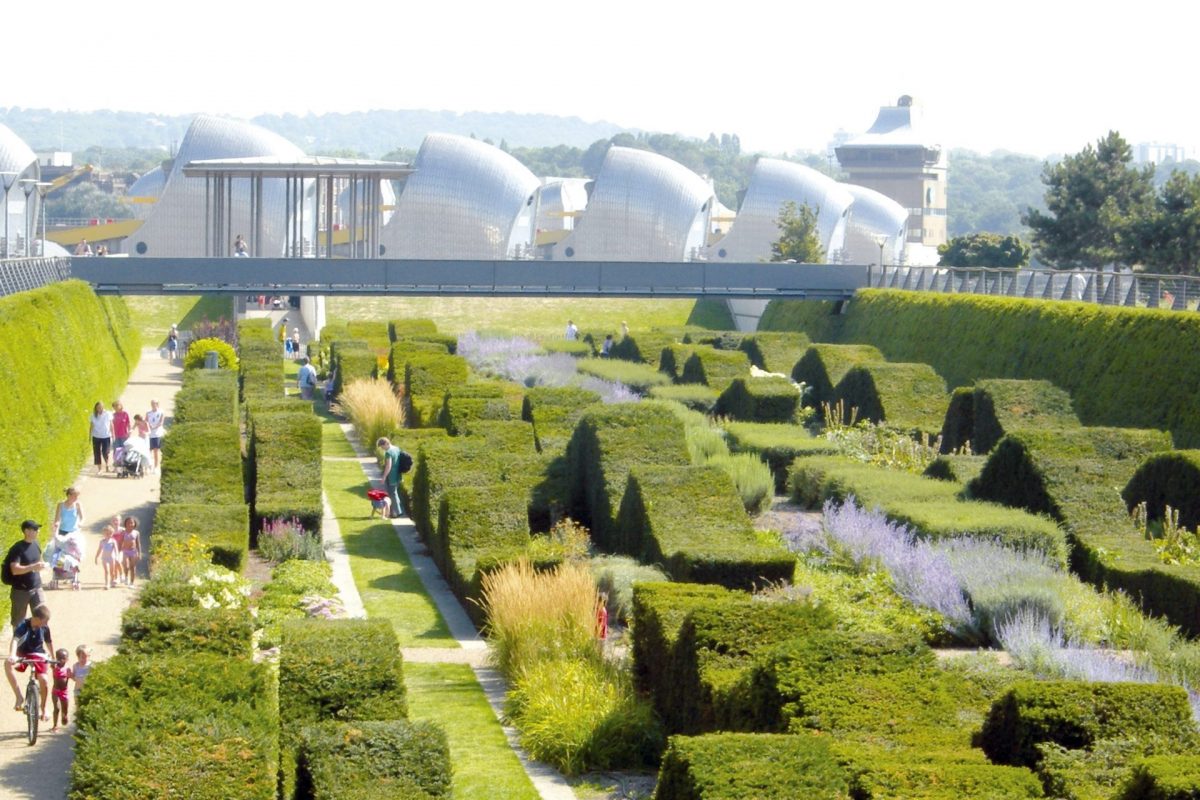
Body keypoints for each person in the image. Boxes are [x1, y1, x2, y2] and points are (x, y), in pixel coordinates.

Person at [5, 605, 53, 718]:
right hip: (22, 653)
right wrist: (12, 655)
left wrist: (52, 658)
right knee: (7, 664)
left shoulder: (45, 627)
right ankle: (18, 696)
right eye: (44, 621)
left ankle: (43, 707)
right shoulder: (23, 625)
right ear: (37, 618)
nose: (45, 624)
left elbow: (49, 642)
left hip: (38, 654)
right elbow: (15, 640)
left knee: (44, 680)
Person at [6, 521, 46, 629]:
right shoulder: (17, 548)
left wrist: (42, 566)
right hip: (21, 591)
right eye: (35, 529)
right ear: (27, 531)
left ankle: (38, 644)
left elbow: (39, 559)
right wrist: (33, 567)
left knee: (42, 617)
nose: (38, 531)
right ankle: (19, 644)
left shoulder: (36, 544)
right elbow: (15, 569)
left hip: (37, 588)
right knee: (19, 623)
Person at [376, 437, 407, 519]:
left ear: (386, 443)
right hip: (398, 474)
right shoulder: (396, 448)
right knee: (394, 493)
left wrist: (384, 476)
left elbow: (388, 466)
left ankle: (398, 512)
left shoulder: (388, 453)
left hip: (392, 476)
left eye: (383, 447)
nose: (383, 449)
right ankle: (393, 512)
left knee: (392, 493)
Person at [89, 401, 114, 473]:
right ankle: (100, 469)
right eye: (98, 408)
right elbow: (91, 426)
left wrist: (113, 434)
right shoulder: (93, 415)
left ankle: (107, 466)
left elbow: (111, 424)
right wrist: (90, 436)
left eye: (101, 407)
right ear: (96, 408)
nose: (100, 409)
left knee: (105, 452)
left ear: (103, 407)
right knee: (96, 452)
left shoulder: (108, 414)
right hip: (96, 436)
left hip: (106, 435)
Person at [50, 648, 71, 731]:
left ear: (67, 659)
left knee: (64, 709)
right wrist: (52, 661)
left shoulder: (67, 669)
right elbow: (51, 663)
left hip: (64, 691)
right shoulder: (54, 666)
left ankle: (64, 716)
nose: (61, 660)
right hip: (55, 690)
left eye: (63, 658)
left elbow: (70, 676)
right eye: (59, 658)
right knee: (56, 708)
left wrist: (71, 676)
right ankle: (55, 725)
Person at [120, 516, 141, 586]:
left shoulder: (136, 533)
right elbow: (120, 542)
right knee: (126, 566)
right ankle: (126, 577)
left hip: (133, 552)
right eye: (128, 523)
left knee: (133, 567)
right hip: (125, 551)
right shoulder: (123, 532)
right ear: (125, 524)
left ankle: (131, 583)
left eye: (132, 523)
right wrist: (119, 551)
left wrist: (139, 553)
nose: (130, 524)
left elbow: (138, 543)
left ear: (135, 524)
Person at [146, 399, 165, 473]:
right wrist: (148, 425)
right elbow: (146, 421)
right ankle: (149, 466)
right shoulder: (148, 413)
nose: (153, 405)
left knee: (156, 451)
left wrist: (154, 427)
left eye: (154, 403)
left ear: (157, 404)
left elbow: (161, 422)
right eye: (152, 404)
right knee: (148, 451)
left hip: (157, 434)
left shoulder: (161, 412)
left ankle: (156, 466)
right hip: (150, 434)